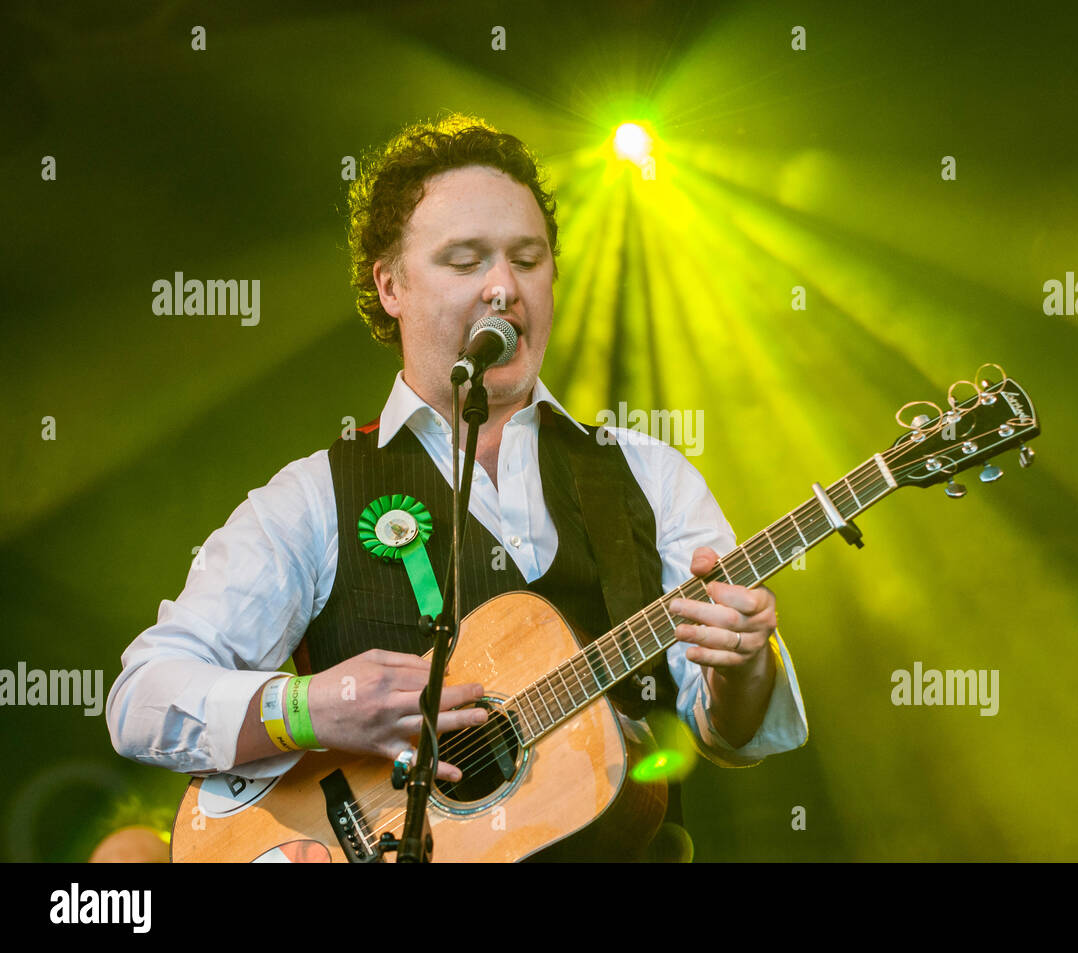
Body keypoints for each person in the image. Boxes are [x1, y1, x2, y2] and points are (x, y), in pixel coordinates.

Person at [107, 114, 808, 860]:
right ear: (391, 285)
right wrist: (315, 706)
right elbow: (143, 696)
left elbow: (730, 733)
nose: (503, 287)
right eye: (465, 260)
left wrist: (744, 664)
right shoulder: (313, 496)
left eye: (527, 258)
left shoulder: (648, 473)